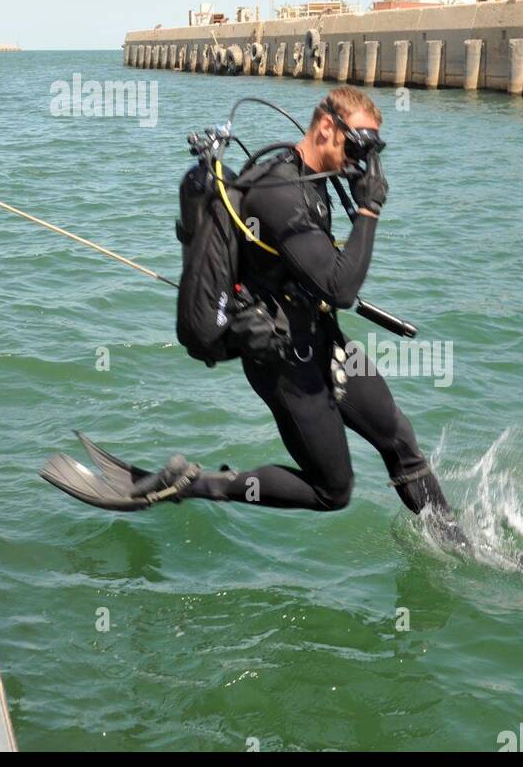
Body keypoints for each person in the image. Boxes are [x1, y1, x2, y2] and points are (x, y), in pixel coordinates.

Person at [43, 87, 461, 537]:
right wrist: (368, 207)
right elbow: (341, 287)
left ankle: (458, 545)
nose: (360, 160)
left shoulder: (309, 179)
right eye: (356, 143)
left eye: (371, 149)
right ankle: (196, 484)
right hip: (284, 362)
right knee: (333, 491)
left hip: (323, 340)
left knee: (400, 441)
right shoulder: (279, 190)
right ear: (326, 127)